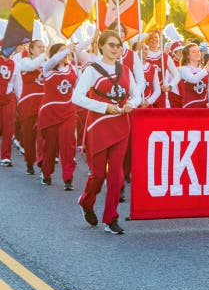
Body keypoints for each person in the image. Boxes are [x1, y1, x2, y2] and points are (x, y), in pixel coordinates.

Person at [72, 30, 141, 234]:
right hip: (99, 125)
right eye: (111, 45)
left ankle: (111, 218)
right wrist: (104, 107)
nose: (115, 49)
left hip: (121, 125)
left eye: (118, 45)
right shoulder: (92, 70)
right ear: (101, 46)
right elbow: (77, 97)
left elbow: (136, 95)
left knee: (117, 176)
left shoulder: (126, 70)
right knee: (99, 173)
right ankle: (86, 201)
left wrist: (130, 103)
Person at [38, 43, 78, 189]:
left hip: (68, 110)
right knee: (50, 146)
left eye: (66, 52)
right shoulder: (47, 68)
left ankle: (68, 177)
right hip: (51, 112)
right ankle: (46, 173)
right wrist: (67, 49)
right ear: (55, 53)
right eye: (61, 52)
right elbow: (54, 60)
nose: (65, 54)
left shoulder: (73, 68)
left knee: (68, 144)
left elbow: (77, 88)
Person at [17, 40, 46, 175]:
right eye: (39, 47)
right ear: (31, 49)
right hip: (28, 104)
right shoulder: (25, 61)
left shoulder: (47, 63)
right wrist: (46, 54)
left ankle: (43, 162)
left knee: (44, 136)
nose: (42, 49)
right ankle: (30, 161)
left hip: (43, 103)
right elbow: (31, 66)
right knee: (28, 137)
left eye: (43, 47)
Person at [0, 48, 22, 167]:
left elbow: (17, 84)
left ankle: (5, 156)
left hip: (8, 98)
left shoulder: (15, 65)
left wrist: (20, 101)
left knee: (8, 128)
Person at [177, 43, 209, 108]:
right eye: (194, 52)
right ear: (187, 56)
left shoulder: (205, 69)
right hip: (189, 107)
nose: (197, 53)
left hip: (204, 107)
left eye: (198, 51)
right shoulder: (183, 69)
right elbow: (194, 79)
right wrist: (207, 67)